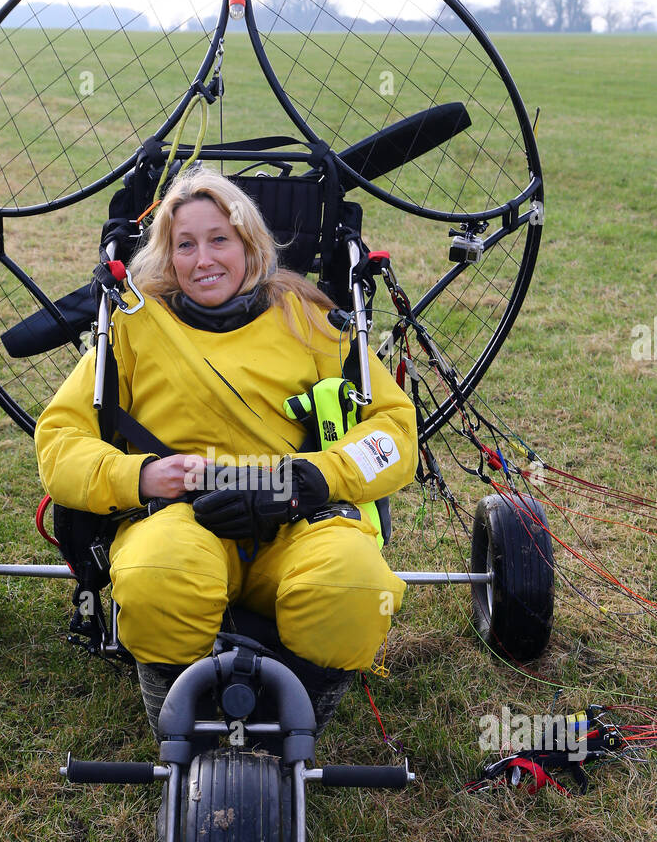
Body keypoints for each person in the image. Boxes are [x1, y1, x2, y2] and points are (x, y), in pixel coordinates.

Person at [34, 168, 417, 739]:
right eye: (184, 244)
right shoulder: (135, 326)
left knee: (354, 586)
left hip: (297, 517)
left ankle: (302, 721)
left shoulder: (309, 319)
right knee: (156, 576)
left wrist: (312, 478)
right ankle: (179, 721)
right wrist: (142, 478)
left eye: (220, 239)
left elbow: (393, 433)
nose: (203, 258)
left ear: (249, 244)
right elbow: (60, 439)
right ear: (166, 254)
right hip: (179, 517)